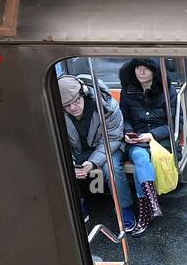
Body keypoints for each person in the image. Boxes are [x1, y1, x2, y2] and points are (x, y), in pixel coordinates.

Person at [59, 74, 139, 235]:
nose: (73, 107)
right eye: (67, 106)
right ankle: (76, 207)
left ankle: (125, 209)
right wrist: (71, 161)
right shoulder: (54, 112)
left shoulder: (106, 106)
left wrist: (93, 163)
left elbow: (113, 137)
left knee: (112, 169)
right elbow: (57, 139)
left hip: (107, 145)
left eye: (76, 101)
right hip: (77, 150)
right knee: (60, 168)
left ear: (84, 93)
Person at [118, 58, 180, 230]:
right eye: (137, 68)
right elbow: (126, 119)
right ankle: (152, 204)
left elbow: (174, 125)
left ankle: (145, 212)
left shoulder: (168, 91)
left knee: (140, 159)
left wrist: (151, 135)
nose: (141, 72)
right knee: (139, 156)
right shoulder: (127, 92)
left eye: (145, 68)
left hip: (161, 140)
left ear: (154, 72)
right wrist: (127, 133)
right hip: (137, 138)